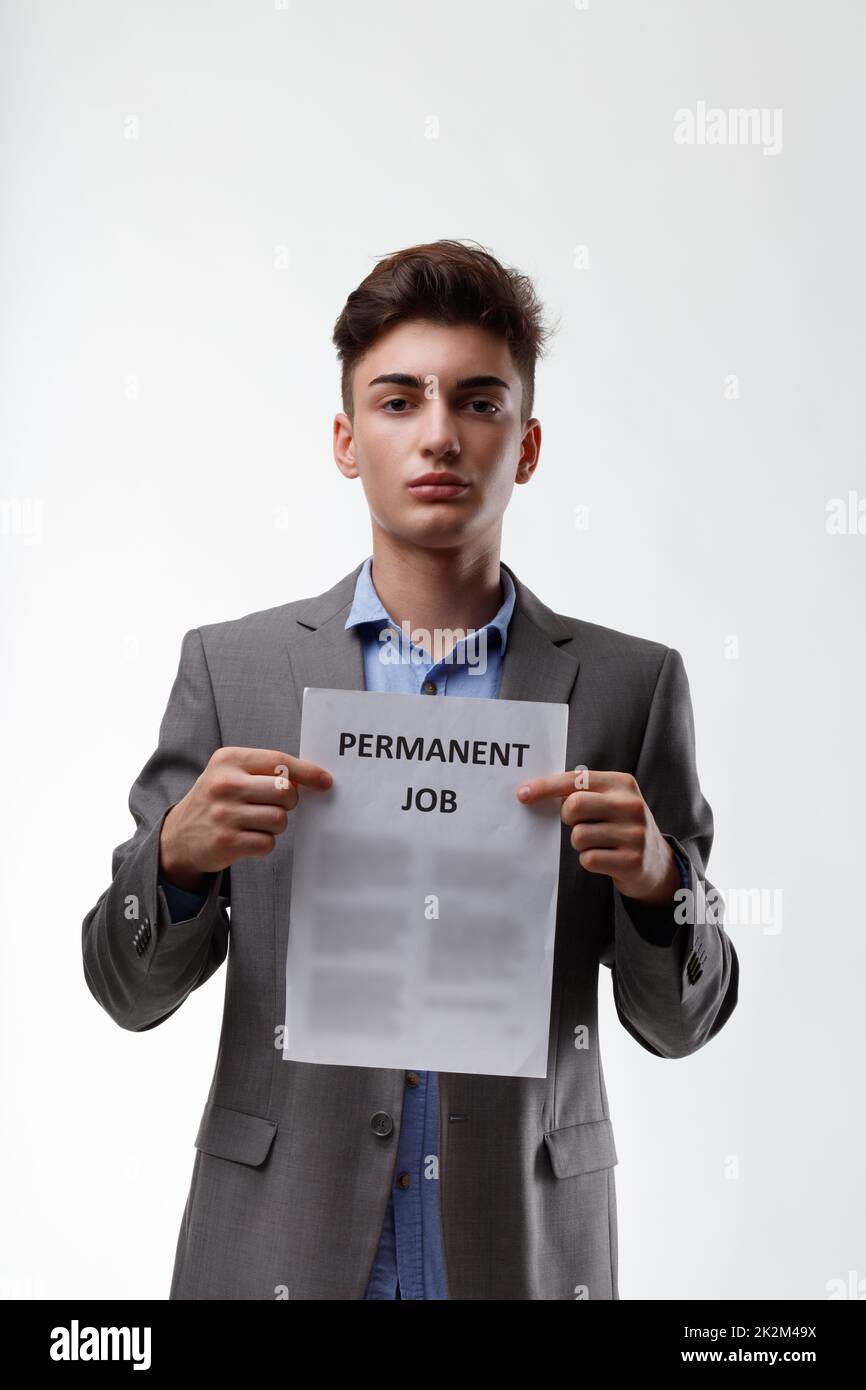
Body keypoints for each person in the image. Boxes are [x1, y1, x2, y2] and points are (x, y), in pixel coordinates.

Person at [81, 239, 738, 1300]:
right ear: (346, 440)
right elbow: (125, 987)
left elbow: (680, 1021)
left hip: (519, 1249)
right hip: (275, 1244)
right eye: (398, 401)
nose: (438, 434)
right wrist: (175, 862)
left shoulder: (629, 687)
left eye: (478, 403)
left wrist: (664, 884)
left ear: (524, 446)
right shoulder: (233, 668)